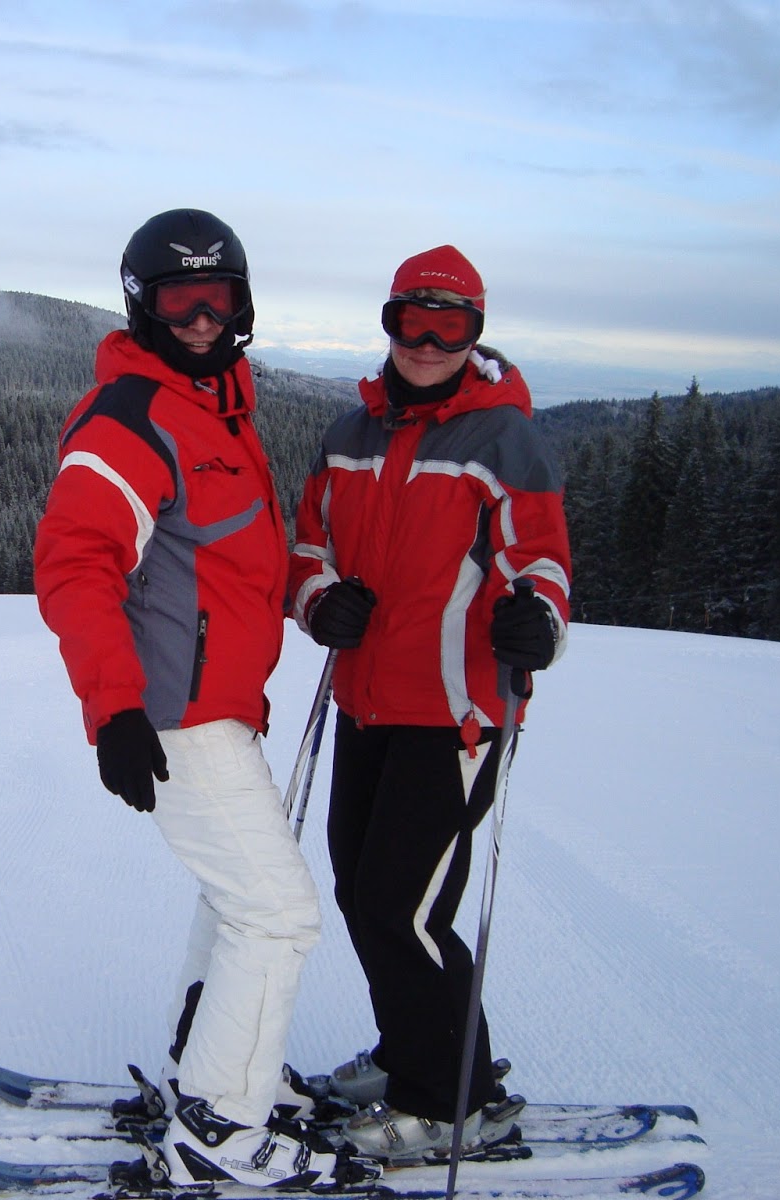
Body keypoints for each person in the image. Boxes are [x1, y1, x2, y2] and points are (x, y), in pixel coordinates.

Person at [33, 209, 337, 1187]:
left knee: (238, 896)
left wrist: (311, 596)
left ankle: (209, 1066)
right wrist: (112, 712)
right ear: (144, 307)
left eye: (218, 299)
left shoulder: (217, 410)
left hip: (224, 707)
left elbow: (230, 556)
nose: (201, 319)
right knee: (277, 912)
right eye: (179, 300)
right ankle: (219, 1128)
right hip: (173, 716)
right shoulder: (132, 417)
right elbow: (75, 565)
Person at [287, 245, 572, 1161]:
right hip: (366, 702)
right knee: (361, 892)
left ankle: (450, 1102)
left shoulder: (504, 439)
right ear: (390, 324)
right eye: (411, 320)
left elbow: (542, 558)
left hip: (455, 715)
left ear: (475, 334)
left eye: (448, 325)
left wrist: (537, 615)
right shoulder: (351, 433)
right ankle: (416, 1049)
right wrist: (320, 600)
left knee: (400, 909)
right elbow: (308, 545)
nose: (425, 342)